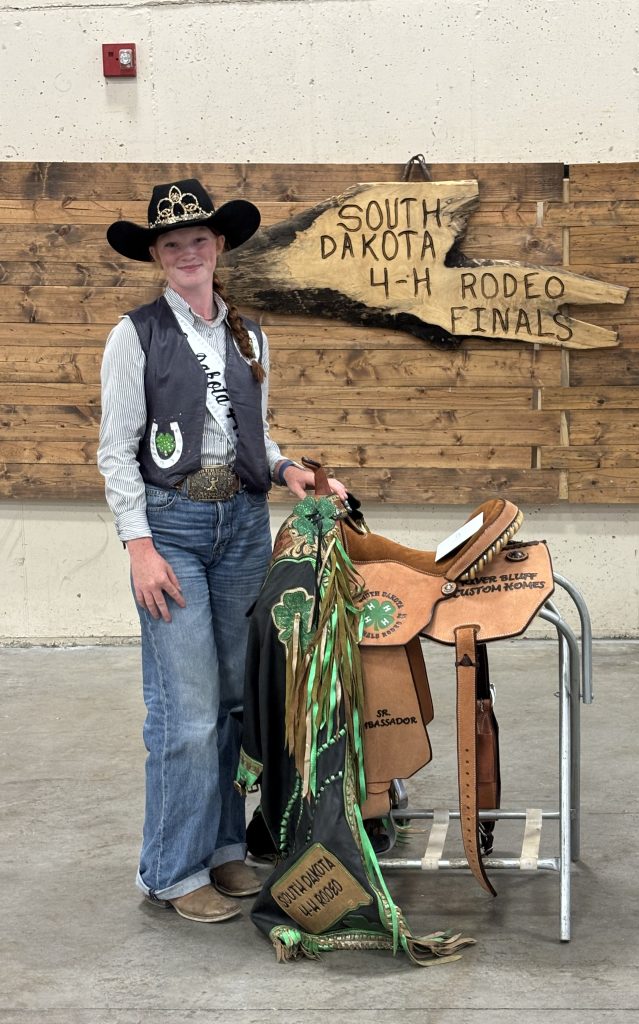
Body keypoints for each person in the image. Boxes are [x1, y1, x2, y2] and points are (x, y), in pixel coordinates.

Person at [98, 178, 347, 923]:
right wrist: (139, 547)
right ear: (156, 255)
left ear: (220, 246)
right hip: (173, 529)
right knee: (187, 710)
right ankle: (171, 872)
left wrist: (289, 469)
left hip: (240, 524)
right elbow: (116, 453)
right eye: (171, 244)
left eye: (198, 240)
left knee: (237, 702)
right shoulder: (135, 335)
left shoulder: (248, 335)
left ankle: (223, 851)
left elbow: (254, 437)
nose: (187, 252)